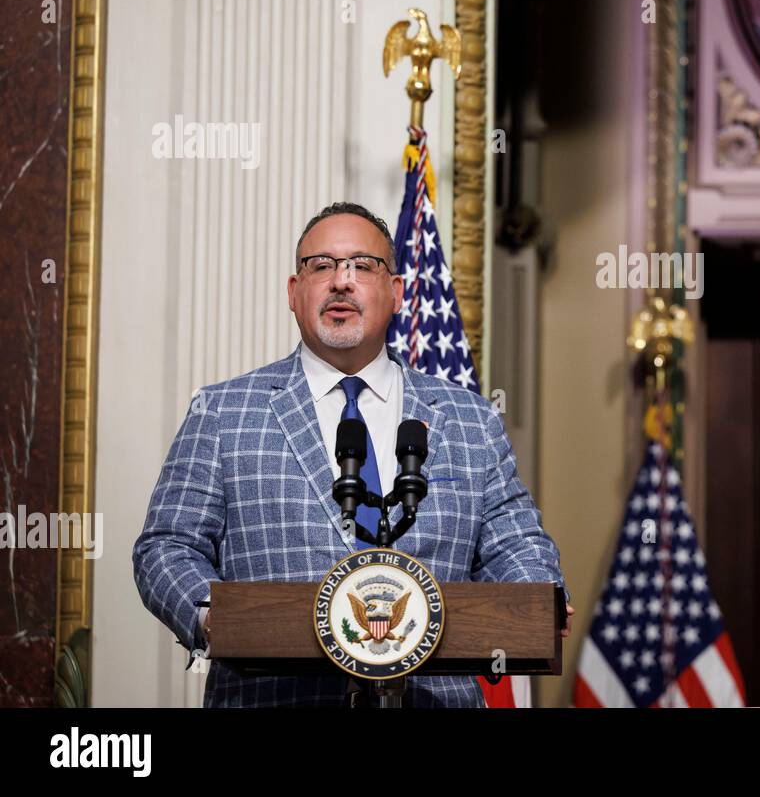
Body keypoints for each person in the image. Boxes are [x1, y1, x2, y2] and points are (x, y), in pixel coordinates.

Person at [133, 202, 572, 706]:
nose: (341, 281)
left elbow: (514, 544)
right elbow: (165, 545)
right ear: (294, 293)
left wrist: (540, 596)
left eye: (363, 266)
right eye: (321, 266)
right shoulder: (222, 412)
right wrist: (214, 615)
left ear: (398, 292)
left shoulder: (470, 419)